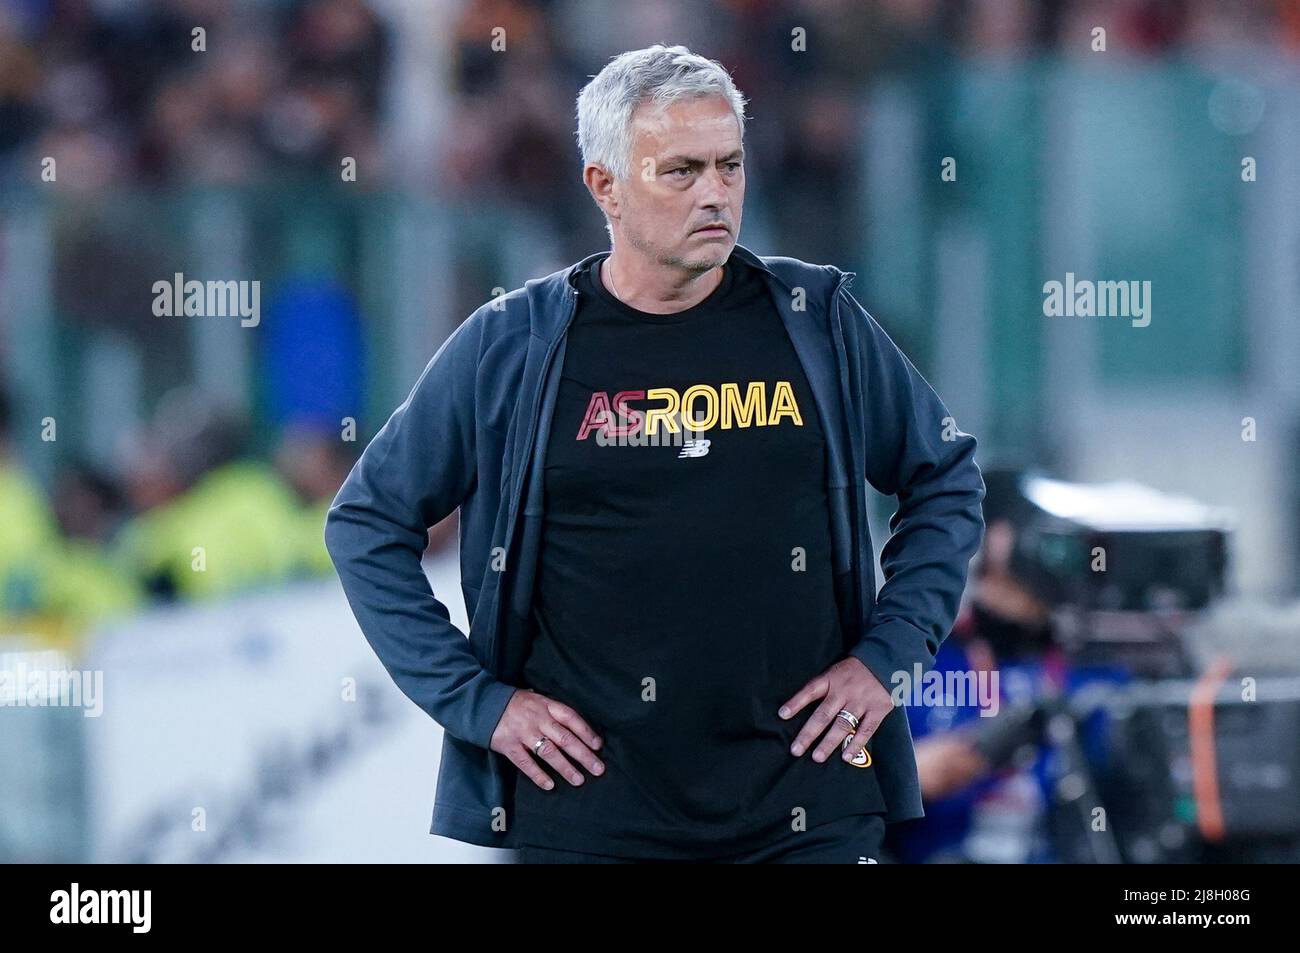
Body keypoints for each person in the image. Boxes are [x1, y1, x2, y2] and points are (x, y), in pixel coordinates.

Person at [325, 44, 985, 863]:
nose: (716, 192)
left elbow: (945, 477)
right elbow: (365, 522)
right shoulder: (513, 346)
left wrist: (887, 658)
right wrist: (479, 704)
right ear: (604, 186)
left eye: (730, 165)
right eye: (680, 171)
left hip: (808, 808)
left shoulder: (817, 322)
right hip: (588, 820)